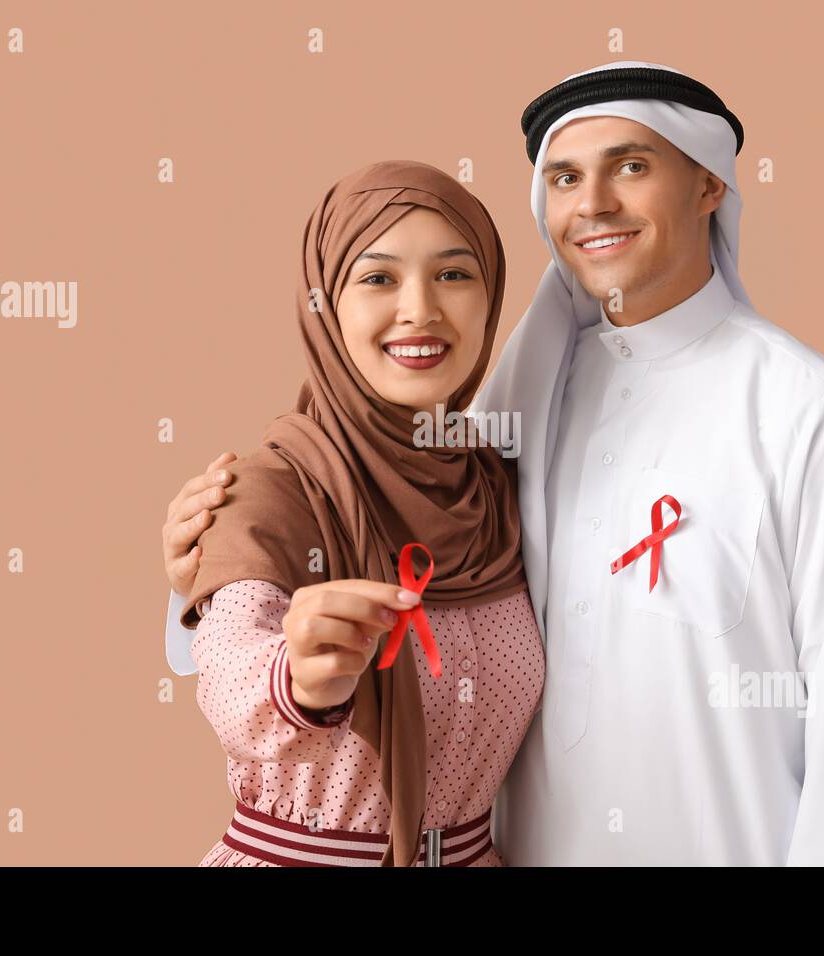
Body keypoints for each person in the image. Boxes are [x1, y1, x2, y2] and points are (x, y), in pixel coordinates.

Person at [165, 60, 824, 867]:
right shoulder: (520, 400)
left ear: (709, 187)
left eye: (631, 165)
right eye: (564, 177)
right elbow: (366, 522)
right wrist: (206, 569)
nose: (592, 203)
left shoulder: (809, 408)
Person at [165, 159, 542, 867]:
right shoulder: (272, 488)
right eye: (377, 278)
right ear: (324, 305)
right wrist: (300, 676)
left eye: (455, 275)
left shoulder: (499, 492)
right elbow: (227, 664)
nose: (421, 309)